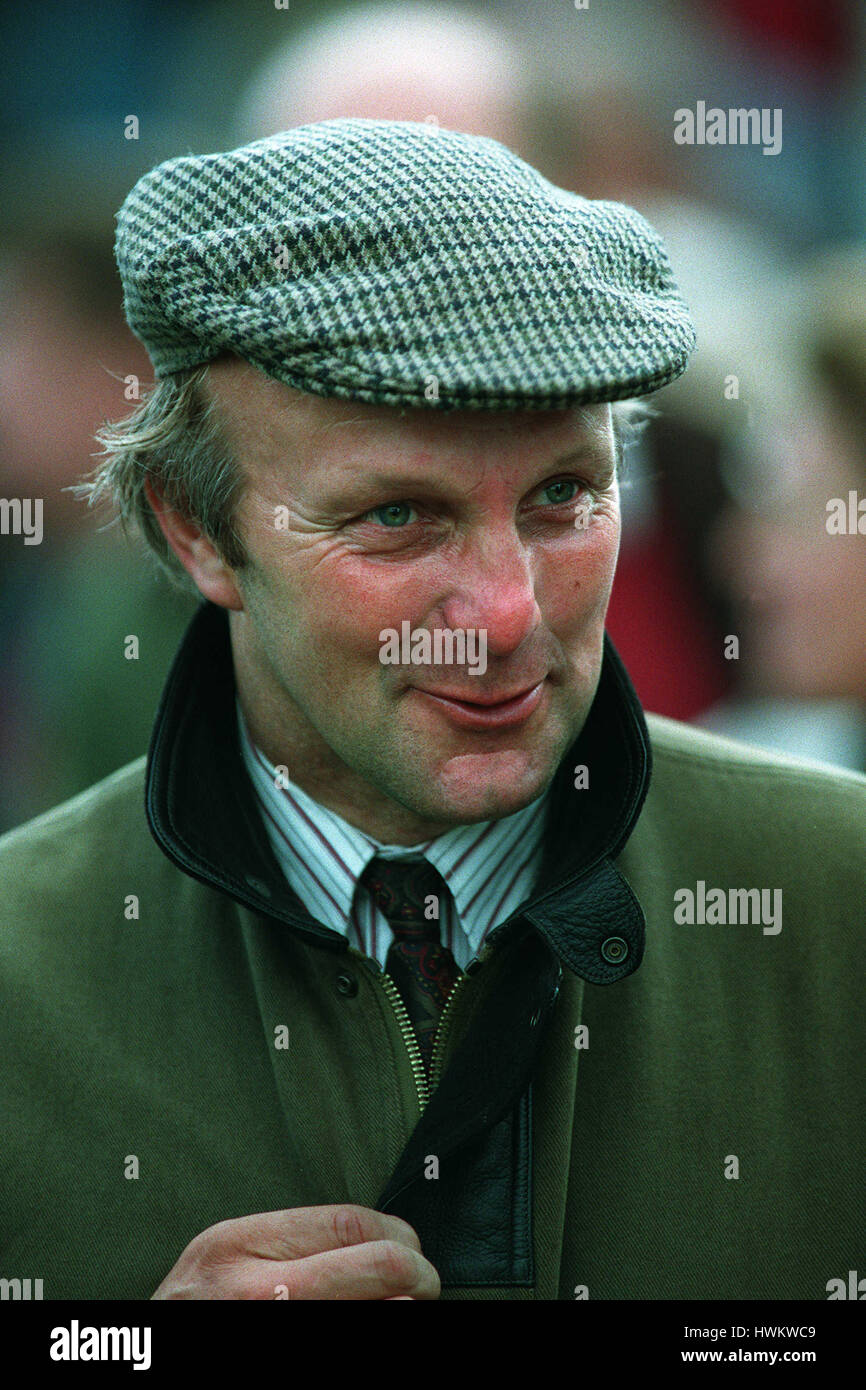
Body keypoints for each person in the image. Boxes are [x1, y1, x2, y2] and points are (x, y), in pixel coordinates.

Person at [0, 119, 863, 1302]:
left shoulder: (835, 906)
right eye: (397, 517)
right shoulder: (22, 975)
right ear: (195, 525)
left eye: (564, 496)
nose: (507, 614)